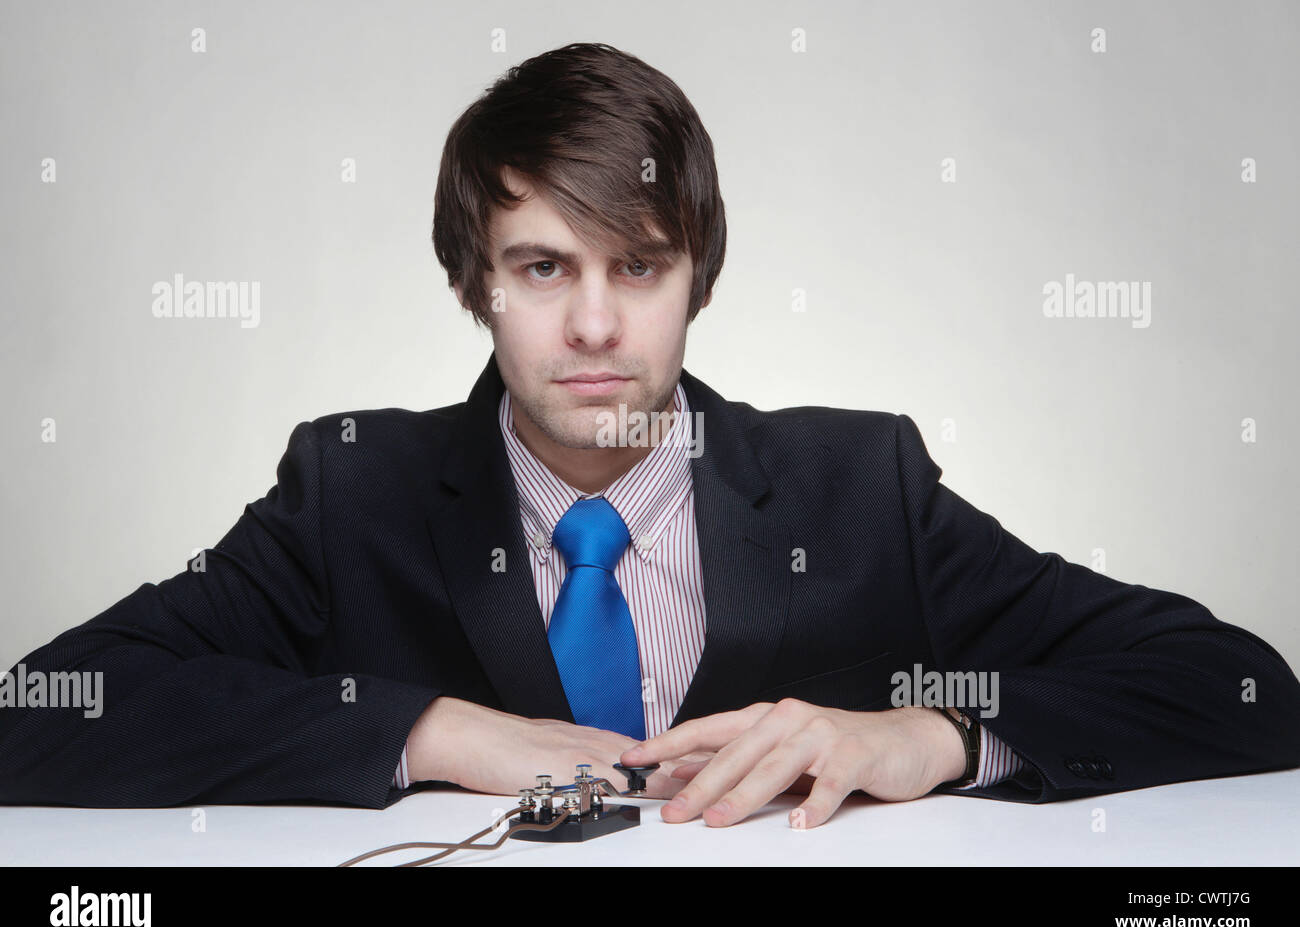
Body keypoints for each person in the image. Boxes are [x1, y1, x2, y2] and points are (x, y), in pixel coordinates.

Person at [3, 42, 1298, 831]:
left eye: (640, 266)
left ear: (700, 279)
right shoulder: (356, 491)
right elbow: (40, 714)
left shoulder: (861, 490)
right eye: (543, 268)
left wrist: (931, 737)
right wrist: (430, 734)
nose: (596, 325)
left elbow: (1242, 688)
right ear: (476, 283)